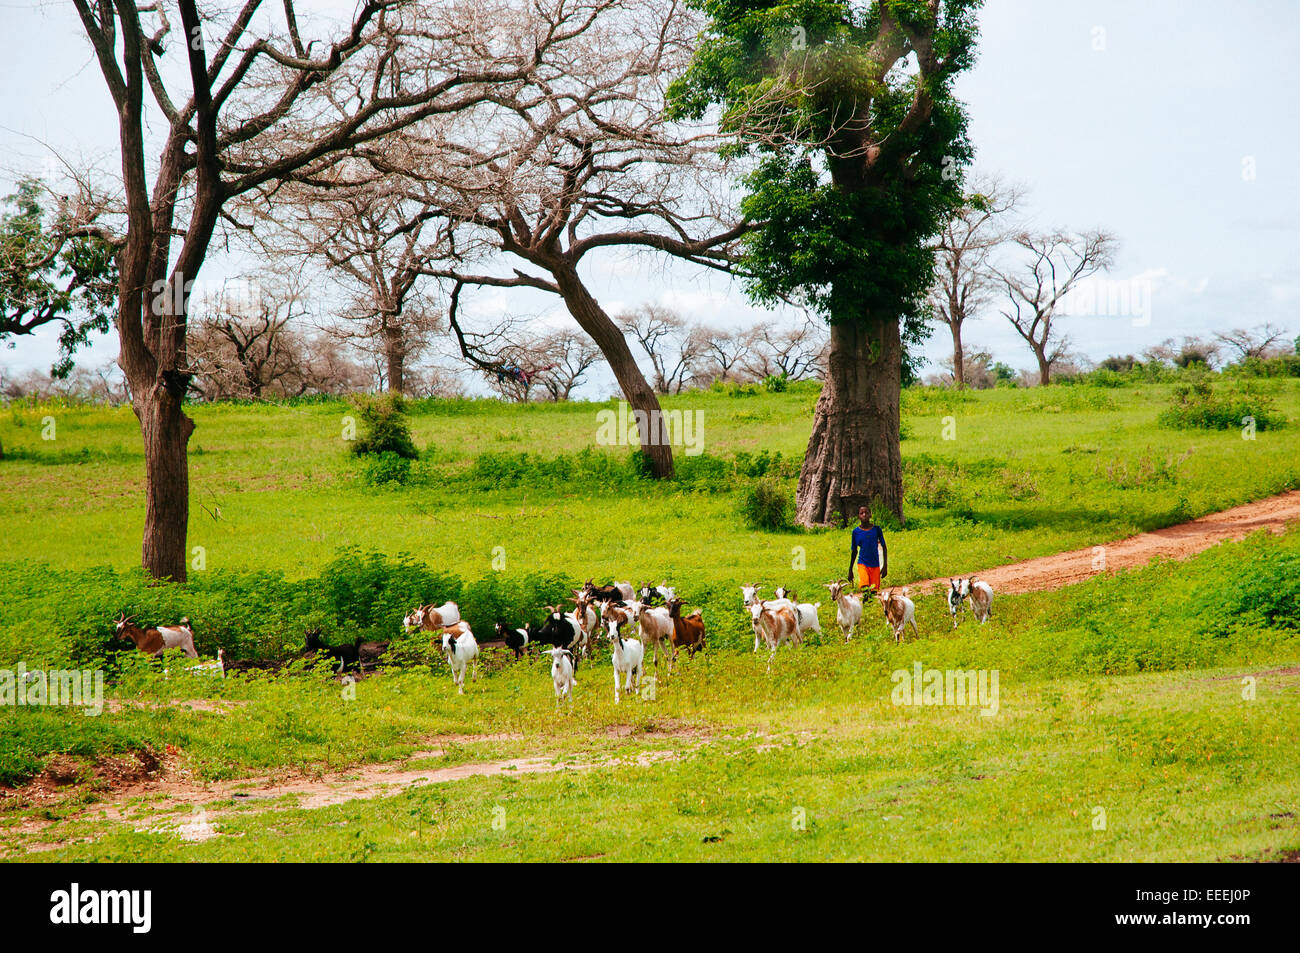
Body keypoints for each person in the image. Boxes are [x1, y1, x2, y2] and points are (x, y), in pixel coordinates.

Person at [848, 504, 887, 592]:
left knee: (873, 591)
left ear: (870, 514)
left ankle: (869, 605)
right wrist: (850, 570)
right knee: (865, 587)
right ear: (858, 516)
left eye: (866, 512)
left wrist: (885, 566)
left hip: (875, 565)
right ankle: (864, 604)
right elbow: (854, 551)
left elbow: (884, 547)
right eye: (861, 513)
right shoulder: (856, 532)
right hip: (862, 564)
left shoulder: (877, 530)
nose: (864, 515)